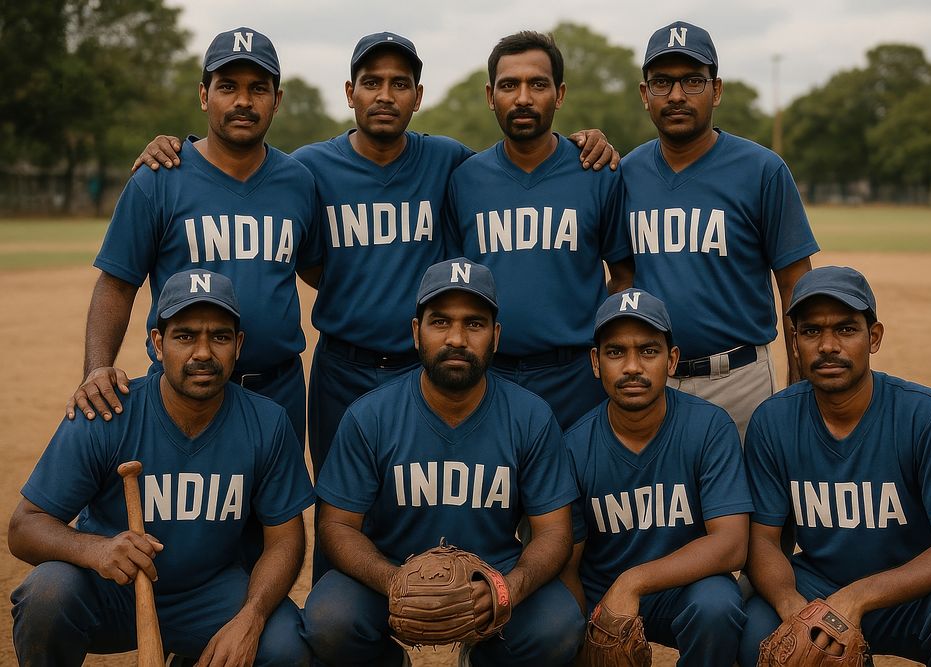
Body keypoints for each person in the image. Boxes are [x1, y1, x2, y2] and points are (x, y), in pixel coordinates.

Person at [131, 30, 618, 581]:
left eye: (399, 84)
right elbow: (305, 254)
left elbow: (515, 166)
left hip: (425, 369)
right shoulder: (309, 169)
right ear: (350, 91)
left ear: (417, 95)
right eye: (372, 82)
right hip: (343, 367)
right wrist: (173, 145)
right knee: (338, 513)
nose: (385, 95)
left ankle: (469, 614)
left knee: (443, 503)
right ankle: (339, 627)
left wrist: (589, 140)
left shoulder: (450, 162)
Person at [9, 270, 314, 665]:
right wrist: (97, 550)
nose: (202, 352)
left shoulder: (267, 422)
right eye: (184, 336)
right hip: (111, 589)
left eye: (219, 336)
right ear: (157, 343)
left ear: (237, 345)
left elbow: (285, 540)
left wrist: (251, 618)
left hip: (208, 595)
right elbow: (25, 526)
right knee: (46, 595)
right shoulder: (107, 412)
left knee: (286, 646)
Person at [300, 258, 584, 666]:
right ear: (417, 333)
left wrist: (505, 589)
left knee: (557, 625)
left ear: (495, 336)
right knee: (329, 618)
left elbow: (555, 533)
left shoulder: (531, 416)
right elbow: (337, 525)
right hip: (392, 576)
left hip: (491, 576)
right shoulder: (370, 415)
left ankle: (483, 656)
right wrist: (393, 581)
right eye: (440, 322)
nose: (457, 338)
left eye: (474, 323)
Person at [66, 27, 323, 447]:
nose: (243, 101)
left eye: (258, 88)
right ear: (204, 96)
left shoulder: (299, 181)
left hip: (279, 390)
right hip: (182, 394)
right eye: (228, 87)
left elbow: (316, 267)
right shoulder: (159, 179)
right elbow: (116, 283)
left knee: (277, 513)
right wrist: (97, 368)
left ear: (277, 100)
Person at [739, 265, 931, 666]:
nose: (828, 345)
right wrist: (793, 606)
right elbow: (762, 540)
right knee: (757, 622)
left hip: (909, 593)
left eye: (846, 329)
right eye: (811, 331)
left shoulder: (924, 415)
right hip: (818, 589)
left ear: (873, 338)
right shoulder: (773, 421)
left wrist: (857, 597)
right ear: (794, 343)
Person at [621, 21, 819, 438]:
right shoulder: (625, 173)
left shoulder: (762, 170)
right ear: (645, 95)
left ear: (717, 89)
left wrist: (800, 388)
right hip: (653, 385)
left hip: (741, 380)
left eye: (693, 80)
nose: (677, 95)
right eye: (662, 82)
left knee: (752, 503)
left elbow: (795, 287)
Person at [445, 30, 634, 430]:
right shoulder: (464, 180)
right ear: (490, 96)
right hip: (489, 379)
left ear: (560, 94)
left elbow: (624, 275)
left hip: (576, 378)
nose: (524, 98)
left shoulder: (597, 173)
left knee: (580, 490)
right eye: (509, 85)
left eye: (538, 84)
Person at [560, 288, 751, 664]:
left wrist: (633, 582)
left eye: (648, 351)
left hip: (682, 590)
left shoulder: (709, 427)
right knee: (556, 620)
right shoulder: (574, 446)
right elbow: (567, 565)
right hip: (603, 595)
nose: (632, 367)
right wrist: (584, 632)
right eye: (616, 352)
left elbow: (731, 544)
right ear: (596, 362)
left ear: (672, 359)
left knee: (718, 606)